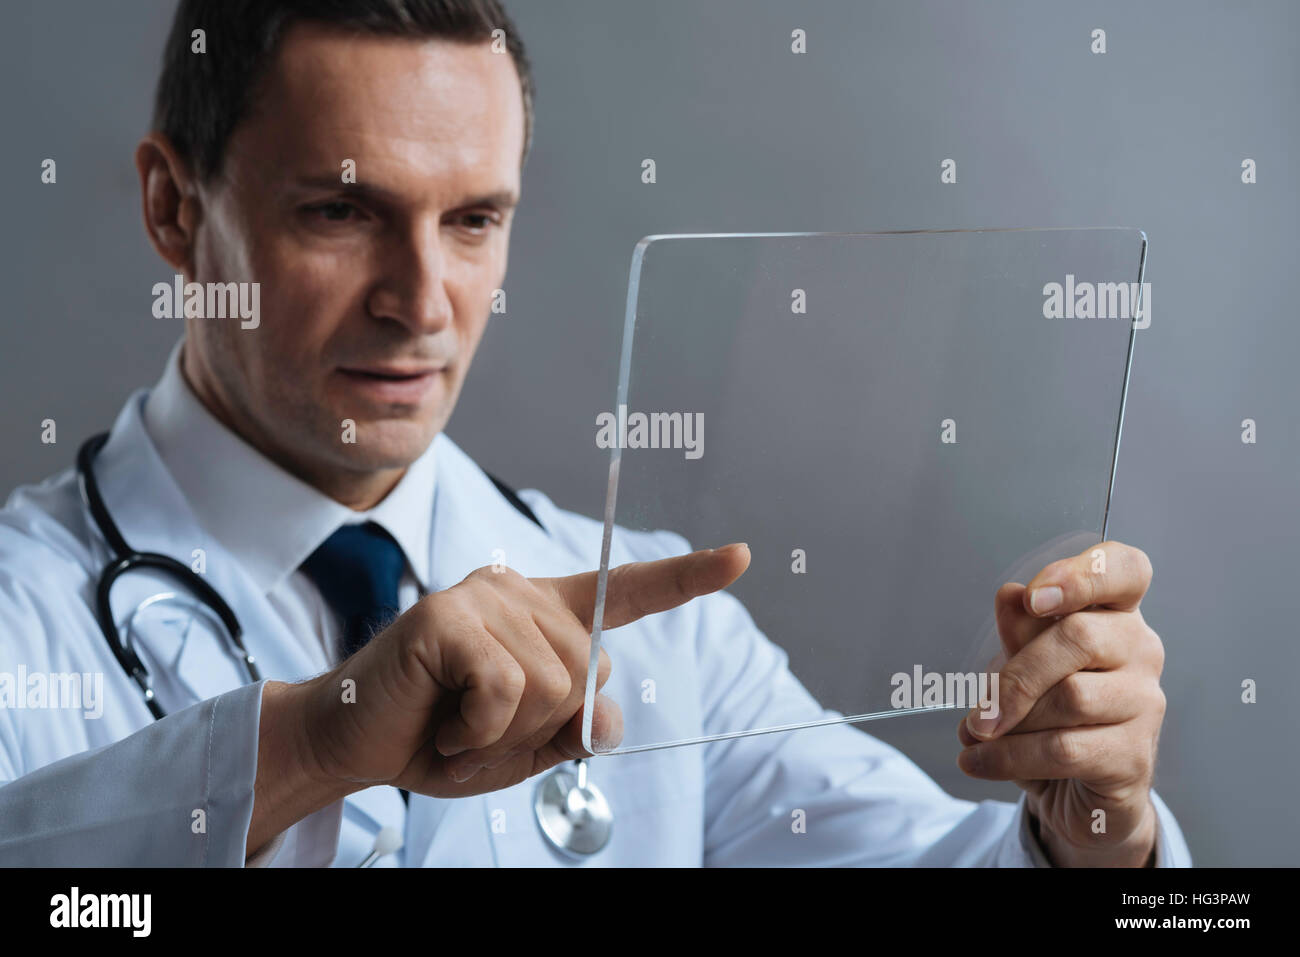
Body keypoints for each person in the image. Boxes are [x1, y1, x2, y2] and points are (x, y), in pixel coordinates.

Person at [0, 0, 1189, 867]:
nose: (421, 303)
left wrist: (1093, 832)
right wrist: (311, 746)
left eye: (472, 221)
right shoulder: (24, 618)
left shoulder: (670, 643)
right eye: (340, 213)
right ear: (171, 205)